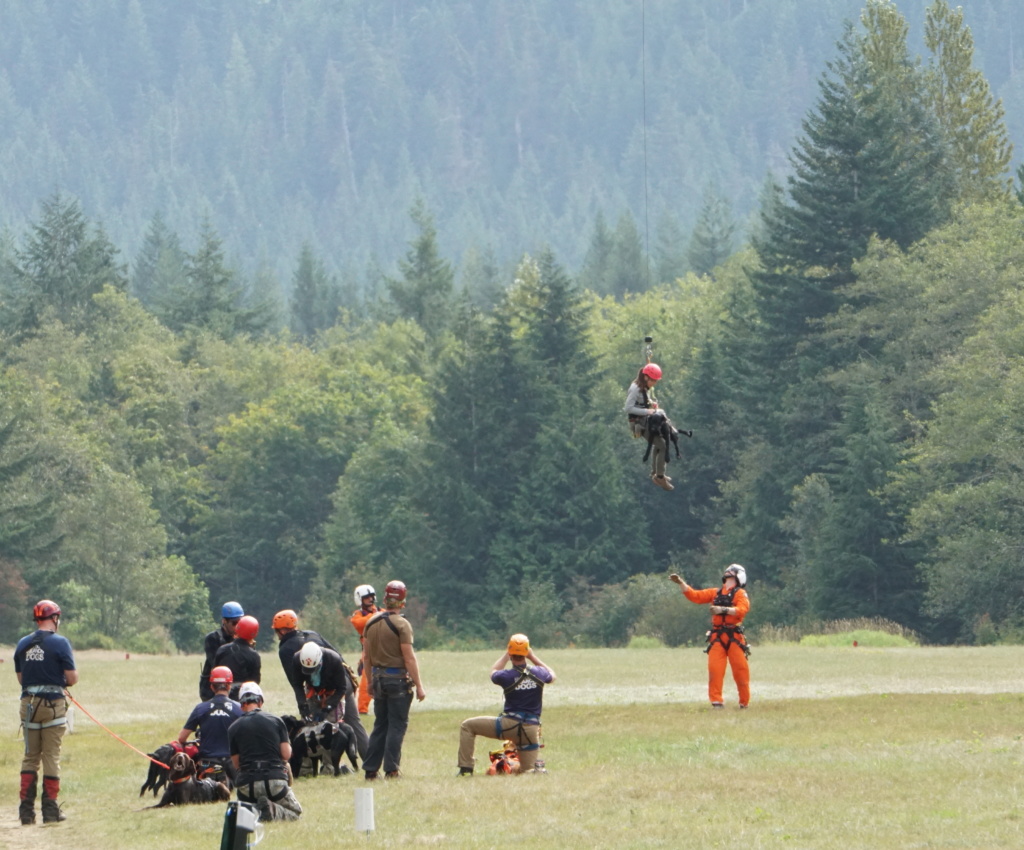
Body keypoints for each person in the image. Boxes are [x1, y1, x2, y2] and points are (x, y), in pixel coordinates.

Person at [14, 599, 78, 825]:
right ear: (54, 619)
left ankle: (26, 812)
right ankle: (50, 811)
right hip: (52, 705)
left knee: (30, 756)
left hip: (29, 706)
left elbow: (21, 679)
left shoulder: (22, 643)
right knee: (51, 756)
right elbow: (72, 678)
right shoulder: (60, 643)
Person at [456, 633, 555, 776]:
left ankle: (466, 768)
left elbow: (493, 672)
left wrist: (506, 655)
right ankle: (533, 771)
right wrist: (532, 657)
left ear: (511, 653)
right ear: (527, 651)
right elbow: (552, 675)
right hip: (531, 730)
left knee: (468, 726)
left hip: (508, 725)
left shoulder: (506, 676)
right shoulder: (539, 673)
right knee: (527, 771)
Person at [360, 580, 426, 780]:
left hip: (378, 680)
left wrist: (370, 682)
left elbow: (367, 658)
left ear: (385, 599)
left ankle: (371, 769)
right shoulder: (402, 624)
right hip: (397, 681)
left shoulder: (370, 623)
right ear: (402, 603)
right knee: (397, 725)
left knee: (380, 725)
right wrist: (420, 686)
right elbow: (408, 657)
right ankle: (392, 769)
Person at [670, 564, 751, 709]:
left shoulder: (740, 594)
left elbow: (742, 610)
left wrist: (723, 609)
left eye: (732, 575)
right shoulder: (715, 593)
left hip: (734, 637)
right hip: (718, 637)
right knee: (715, 670)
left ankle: (744, 702)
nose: (728, 578)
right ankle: (716, 702)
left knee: (740, 671)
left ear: (739, 577)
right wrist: (682, 584)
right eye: (728, 575)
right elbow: (695, 596)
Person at [228, 682, 302, 822]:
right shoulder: (276, 721)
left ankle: (255, 812)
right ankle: (272, 811)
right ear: (260, 701)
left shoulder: (233, 728)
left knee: (246, 817)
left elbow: (237, 764)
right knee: (295, 813)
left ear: (242, 704)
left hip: (247, 785)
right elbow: (286, 754)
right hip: (275, 782)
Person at [291, 641, 368, 757]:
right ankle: (312, 766)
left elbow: (341, 689)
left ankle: (370, 764)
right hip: (314, 689)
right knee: (310, 724)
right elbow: (297, 685)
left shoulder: (333, 659)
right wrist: (303, 706)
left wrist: (327, 708)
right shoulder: (297, 659)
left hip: (338, 688)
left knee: (350, 723)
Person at [177, 665, 243, 785]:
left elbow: (182, 738)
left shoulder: (200, 708)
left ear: (212, 687)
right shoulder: (239, 709)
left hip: (208, 765)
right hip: (233, 764)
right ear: (229, 686)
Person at [624, 362, 673, 491]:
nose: (654, 384)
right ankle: (660, 477)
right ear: (646, 377)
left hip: (645, 420)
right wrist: (647, 411)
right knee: (662, 445)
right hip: (638, 424)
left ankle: (655, 473)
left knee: (660, 442)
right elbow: (628, 408)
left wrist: (651, 404)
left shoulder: (644, 387)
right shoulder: (635, 388)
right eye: (653, 381)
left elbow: (643, 401)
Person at [200, 601, 244, 700]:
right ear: (224, 621)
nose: (237, 627)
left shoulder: (244, 640)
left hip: (236, 688)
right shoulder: (213, 638)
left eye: (240, 623)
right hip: (214, 689)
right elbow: (217, 664)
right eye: (234, 623)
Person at [213, 615, 261, 700]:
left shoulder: (222, 649)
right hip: (243, 698)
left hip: (222, 695)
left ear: (237, 628)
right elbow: (255, 682)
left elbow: (215, 671)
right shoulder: (254, 655)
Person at [349, 585, 379, 715]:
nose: (370, 599)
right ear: (360, 599)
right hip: (369, 651)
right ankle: (362, 709)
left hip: (383, 648)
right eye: (367, 597)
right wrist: (378, 615)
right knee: (367, 681)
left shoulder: (379, 611)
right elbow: (360, 623)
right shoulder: (358, 615)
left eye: (371, 596)